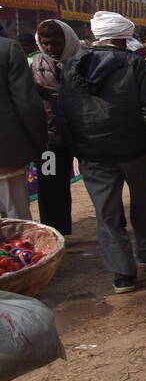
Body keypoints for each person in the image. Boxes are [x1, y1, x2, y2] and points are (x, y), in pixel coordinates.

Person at [57, 11, 146, 294]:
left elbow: (63, 114)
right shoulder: (135, 65)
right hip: (135, 150)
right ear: (125, 38)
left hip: (92, 153)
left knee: (106, 213)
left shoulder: (71, 67)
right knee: (144, 203)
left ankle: (123, 275)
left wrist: (76, 150)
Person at [31, 20, 79, 234]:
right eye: (46, 43)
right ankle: (55, 231)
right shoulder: (36, 62)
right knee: (50, 185)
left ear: (66, 40)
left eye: (56, 43)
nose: (51, 48)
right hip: (51, 139)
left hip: (84, 136)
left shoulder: (83, 58)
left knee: (101, 183)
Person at [0, 33, 46, 219]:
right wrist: (39, 143)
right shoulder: (8, 48)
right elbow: (27, 103)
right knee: (16, 222)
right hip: (6, 154)